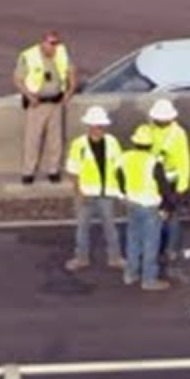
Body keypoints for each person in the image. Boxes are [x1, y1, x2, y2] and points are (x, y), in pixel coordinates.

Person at [63, 106, 124, 272]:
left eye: (101, 126)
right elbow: (73, 170)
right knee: (82, 228)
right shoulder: (79, 145)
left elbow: (119, 167)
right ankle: (82, 258)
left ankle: (115, 257)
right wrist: (79, 191)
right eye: (96, 126)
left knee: (110, 227)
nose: (99, 129)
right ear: (89, 126)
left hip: (106, 193)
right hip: (86, 193)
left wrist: (122, 190)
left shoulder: (112, 142)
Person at [13, 30, 77, 185]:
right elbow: (17, 79)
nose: (54, 46)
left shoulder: (61, 53)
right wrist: (29, 96)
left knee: (55, 139)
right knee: (32, 139)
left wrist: (70, 91)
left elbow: (71, 72)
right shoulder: (29, 56)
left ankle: (53, 170)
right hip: (37, 104)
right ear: (43, 42)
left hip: (56, 102)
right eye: (51, 43)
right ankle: (28, 171)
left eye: (56, 42)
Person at [118, 124, 177, 291]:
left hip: (132, 203)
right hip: (150, 205)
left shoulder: (125, 157)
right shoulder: (154, 162)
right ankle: (149, 279)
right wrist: (168, 206)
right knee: (151, 243)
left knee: (133, 239)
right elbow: (163, 187)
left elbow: (120, 178)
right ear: (150, 144)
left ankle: (130, 273)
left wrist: (124, 195)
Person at [146, 98, 190, 265]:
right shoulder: (150, 130)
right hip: (154, 179)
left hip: (171, 179)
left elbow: (184, 161)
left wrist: (182, 187)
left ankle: (171, 249)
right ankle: (158, 247)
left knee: (171, 217)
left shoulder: (178, 134)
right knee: (156, 215)